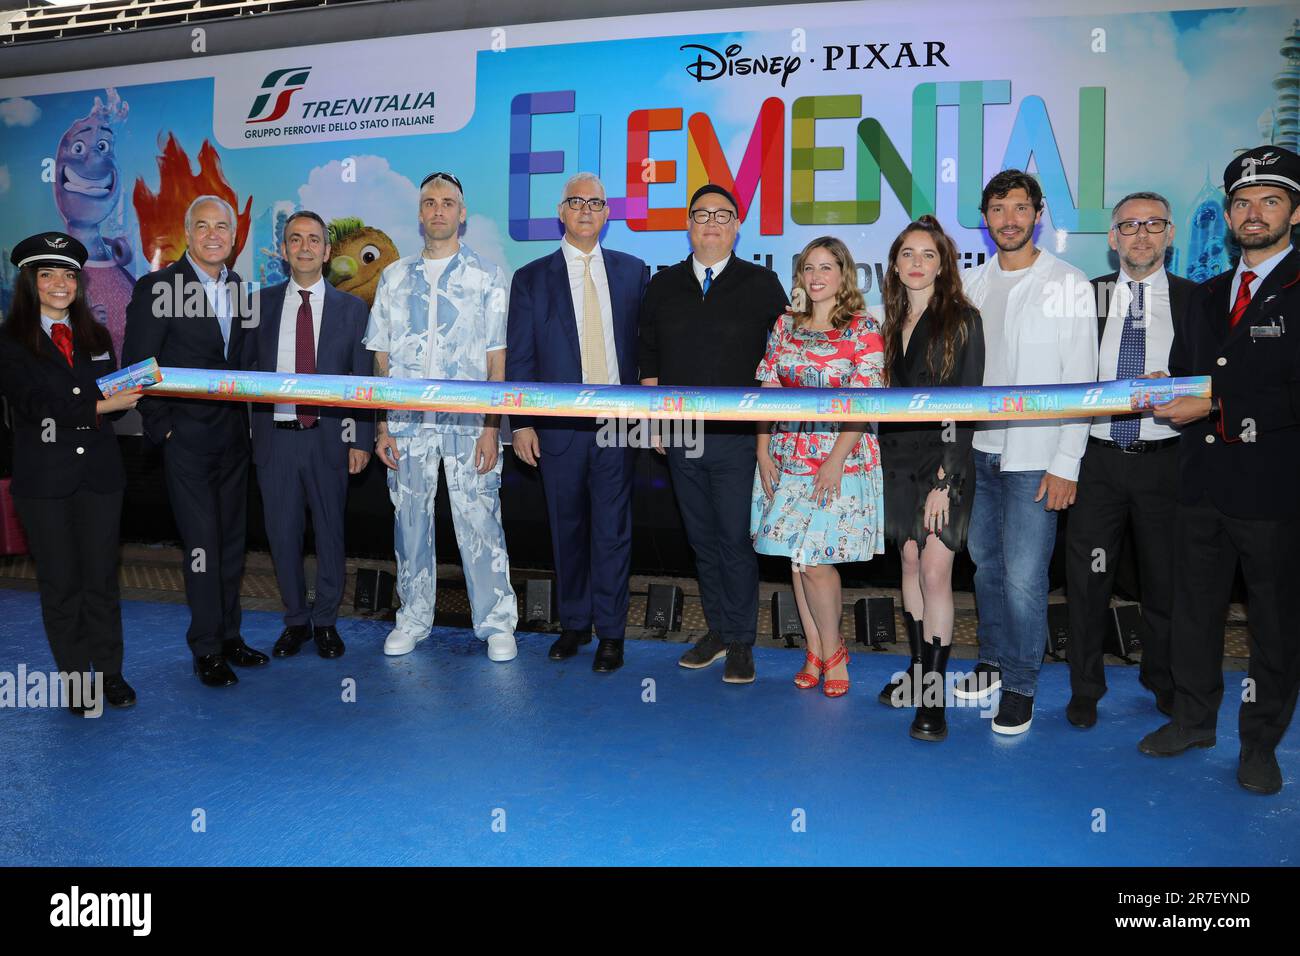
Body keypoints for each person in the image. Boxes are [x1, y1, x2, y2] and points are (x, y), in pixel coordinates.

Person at [1140, 145, 1300, 795]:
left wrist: (1213, 399)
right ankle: (1194, 719)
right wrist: (1167, 387)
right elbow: (1194, 377)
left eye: (1269, 201)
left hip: (1272, 489)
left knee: (1274, 624)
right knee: (1193, 611)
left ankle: (1259, 742)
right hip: (1201, 481)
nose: (1252, 213)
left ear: (1295, 211)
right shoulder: (1205, 297)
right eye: (1241, 202)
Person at [954, 169, 1098, 734]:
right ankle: (991, 662)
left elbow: (1082, 379)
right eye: (997, 209)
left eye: (1020, 208)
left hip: (1037, 456)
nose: (1008, 219)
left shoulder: (1069, 283)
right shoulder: (971, 284)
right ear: (985, 218)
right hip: (980, 452)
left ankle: (1020, 685)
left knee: (1024, 577)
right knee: (985, 565)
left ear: (1038, 214)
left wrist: (1068, 463)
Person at [639, 184, 789, 684]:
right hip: (681, 438)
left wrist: (771, 435)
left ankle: (742, 640)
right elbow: (651, 360)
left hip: (739, 440)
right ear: (687, 224)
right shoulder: (662, 285)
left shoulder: (762, 284)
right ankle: (719, 632)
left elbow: (783, 360)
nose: (711, 223)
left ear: (736, 226)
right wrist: (653, 419)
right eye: (700, 214)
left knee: (733, 540)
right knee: (701, 540)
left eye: (722, 215)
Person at [366, 171, 518, 662]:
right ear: (419, 213)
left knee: (480, 520)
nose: (438, 210)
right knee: (409, 521)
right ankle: (412, 617)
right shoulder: (393, 277)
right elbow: (381, 357)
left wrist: (493, 429)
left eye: (448, 202)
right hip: (407, 424)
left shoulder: (488, 276)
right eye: (429, 202)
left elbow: (498, 360)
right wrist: (382, 424)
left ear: (462, 212)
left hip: (470, 424)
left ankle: (496, 624)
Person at [122, 195, 268, 688]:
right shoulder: (156, 288)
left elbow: (247, 369)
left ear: (233, 236)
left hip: (234, 441)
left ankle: (229, 637)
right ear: (188, 233)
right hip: (184, 441)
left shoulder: (244, 293)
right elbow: (137, 368)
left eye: (221, 227)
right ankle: (205, 648)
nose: (212, 234)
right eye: (202, 226)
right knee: (202, 545)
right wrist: (162, 427)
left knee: (231, 544)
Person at [1064, 192, 1196, 729]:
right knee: (1086, 581)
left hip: (1167, 462)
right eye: (1129, 225)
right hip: (1097, 462)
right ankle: (1085, 690)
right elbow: (1065, 379)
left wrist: (1185, 390)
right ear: (1113, 238)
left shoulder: (1197, 300)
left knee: (1166, 582)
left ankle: (1162, 681)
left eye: (1153, 224)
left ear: (1169, 234)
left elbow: (1215, 380)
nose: (1141, 234)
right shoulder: (1086, 298)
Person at [506, 173, 647, 673]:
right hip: (557, 427)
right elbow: (519, 357)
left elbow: (645, 350)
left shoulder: (634, 273)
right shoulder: (530, 278)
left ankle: (611, 633)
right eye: (576, 202)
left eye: (596, 203)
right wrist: (521, 423)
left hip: (617, 423)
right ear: (560, 213)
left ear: (608, 214)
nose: (586, 210)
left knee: (612, 530)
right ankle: (573, 624)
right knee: (565, 528)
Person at [0, 233, 142, 713]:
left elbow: (115, 405)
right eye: (48, 274)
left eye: (68, 275)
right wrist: (103, 403)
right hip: (45, 484)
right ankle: (78, 683)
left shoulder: (96, 337)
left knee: (102, 580)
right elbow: (40, 406)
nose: (60, 284)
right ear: (29, 282)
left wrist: (126, 393)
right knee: (61, 585)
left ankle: (111, 674)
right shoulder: (10, 343)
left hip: (100, 478)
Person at [751, 237, 885, 697]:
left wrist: (833, 459)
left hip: (840, 457)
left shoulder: (863, 328)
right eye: (809, 267)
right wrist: (762, 449)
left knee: (818, 562)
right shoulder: (785, 324)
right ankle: (814, 650)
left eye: (827, 267)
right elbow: (767, 389)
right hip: (786, 454)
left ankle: (834, 652)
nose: (816, 276)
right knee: (797, 559)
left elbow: (865, 402)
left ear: (844, 274)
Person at [243, 210, 373, 660]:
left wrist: (362, 439)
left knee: (330, 533)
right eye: (295, 239)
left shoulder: (353, 309)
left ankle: (326, 623)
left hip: (329, 438)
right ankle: (296, 620)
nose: (304, 247)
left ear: (327, 250)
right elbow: (238, 373)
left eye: (313, 239)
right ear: (283, 249)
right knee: (281, 534)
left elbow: (363, 379)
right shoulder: (257, 305)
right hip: (274, 440)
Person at [875, 216, 984, 739]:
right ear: (894, 265)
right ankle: (918, 676)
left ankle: (934, 696)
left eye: (928, 255)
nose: (917, 264)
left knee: (936, 573)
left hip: (944, 464)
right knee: (911, 561)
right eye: (907, 255)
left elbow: (966, 404)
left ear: (944, 265)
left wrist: (947, 477)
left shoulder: (963, 319)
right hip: (895, 461)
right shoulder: (887, 323)